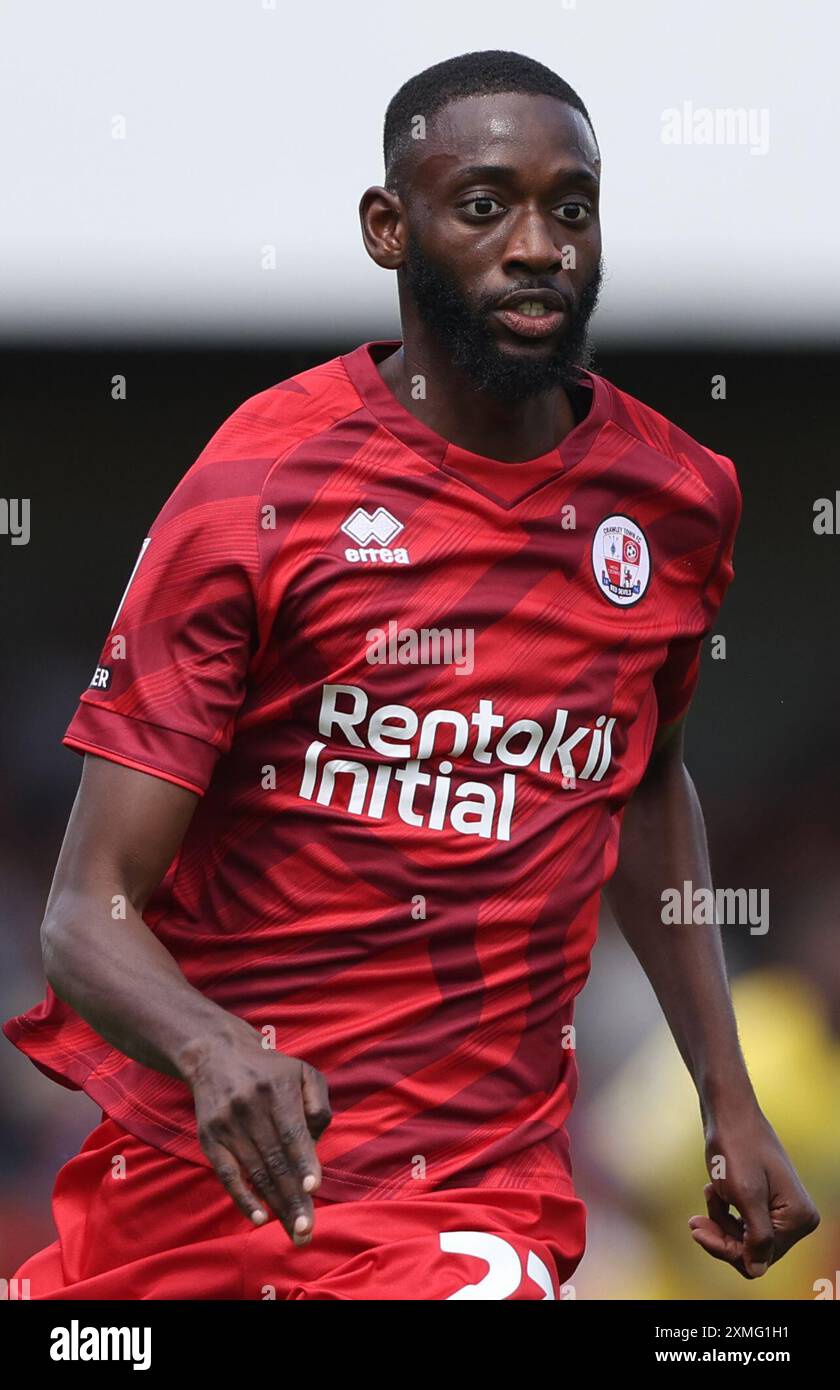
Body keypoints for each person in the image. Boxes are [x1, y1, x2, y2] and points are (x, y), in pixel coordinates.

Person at [4, 49, 818, 1300]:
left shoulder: (673, 499)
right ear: (390, 229)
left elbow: (646, 785)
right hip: (203, 1178)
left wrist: (727, 1097)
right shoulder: (258, 489)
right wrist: (218, 1050)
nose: (538, 243)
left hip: (474, 1185)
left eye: (573, 208)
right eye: (486, 205)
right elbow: (83, 911)